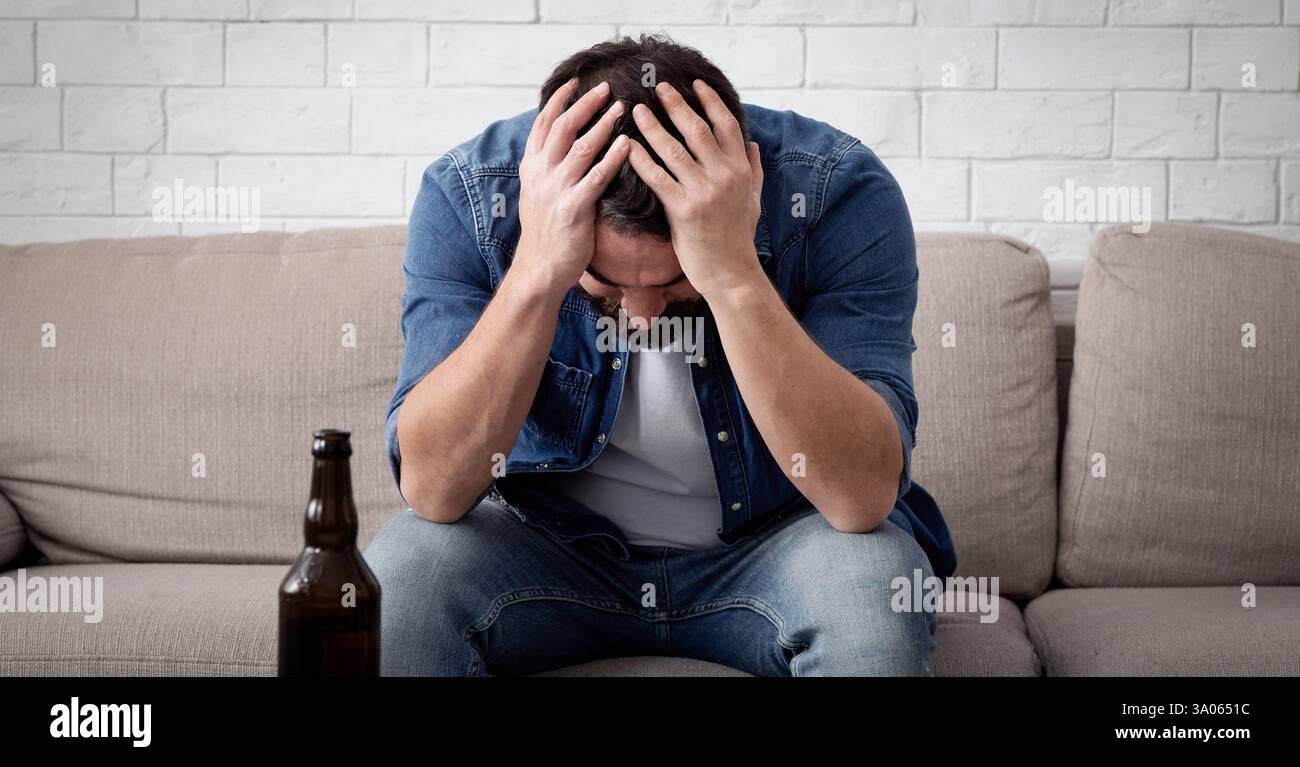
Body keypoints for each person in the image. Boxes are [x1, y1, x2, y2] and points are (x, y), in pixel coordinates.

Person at [363, 34, 956, 676]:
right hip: (544, 545)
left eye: (674, 283)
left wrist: (731, 273)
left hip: (785, 540)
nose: (642, 318)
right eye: (604, 283)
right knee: (401, 580)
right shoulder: (471, 197)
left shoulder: (837, 191)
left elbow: (859, 497)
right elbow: (433, 491)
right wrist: (537, 270)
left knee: (874, 596)